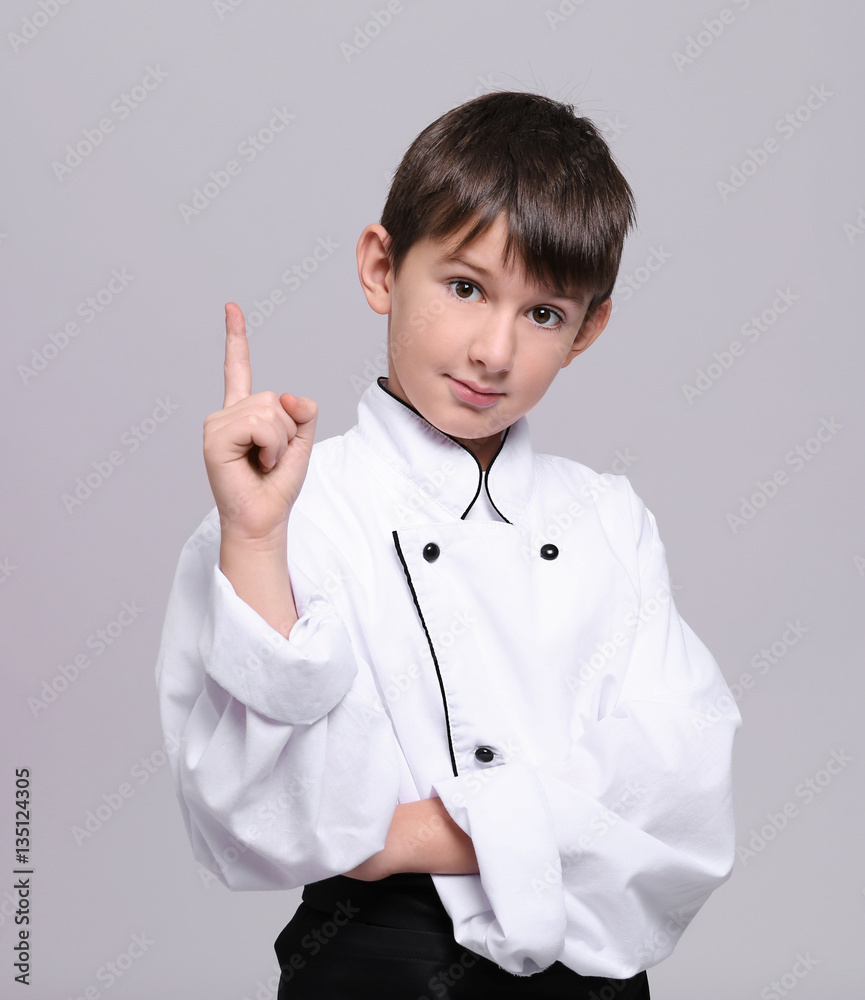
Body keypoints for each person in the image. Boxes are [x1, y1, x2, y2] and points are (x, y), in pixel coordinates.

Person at [155, 91, 741, 999]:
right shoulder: (290, 512)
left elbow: (680, 789)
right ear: (381, 267)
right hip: (368, 966)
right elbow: (254, 819)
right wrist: (257, 540)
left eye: (542, 313)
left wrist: (397, 836)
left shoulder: (607, 519)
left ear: (587, 330)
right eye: (465, 288)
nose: (493, 351)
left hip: (585, 975)